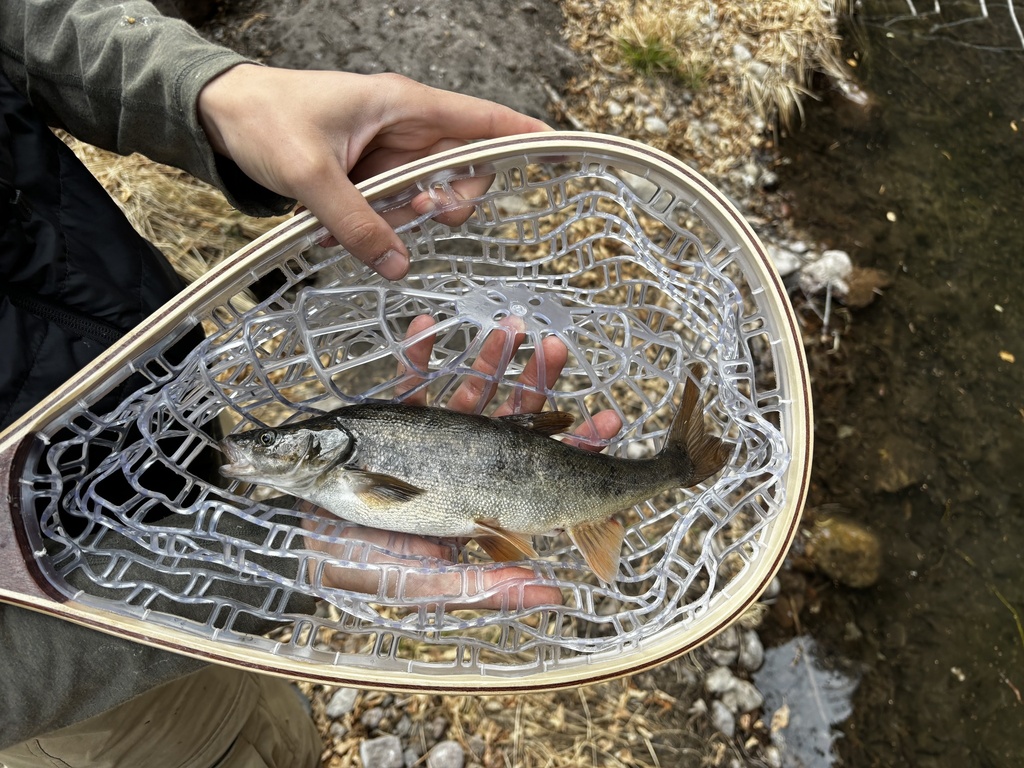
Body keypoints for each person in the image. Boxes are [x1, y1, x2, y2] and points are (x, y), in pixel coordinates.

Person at [0, 2, 620, 766]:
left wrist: (214, 94)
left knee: (268, 720)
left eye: (278, 448)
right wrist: (254, 559)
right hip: (91, 663)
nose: (262, 451)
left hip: (150, 444)